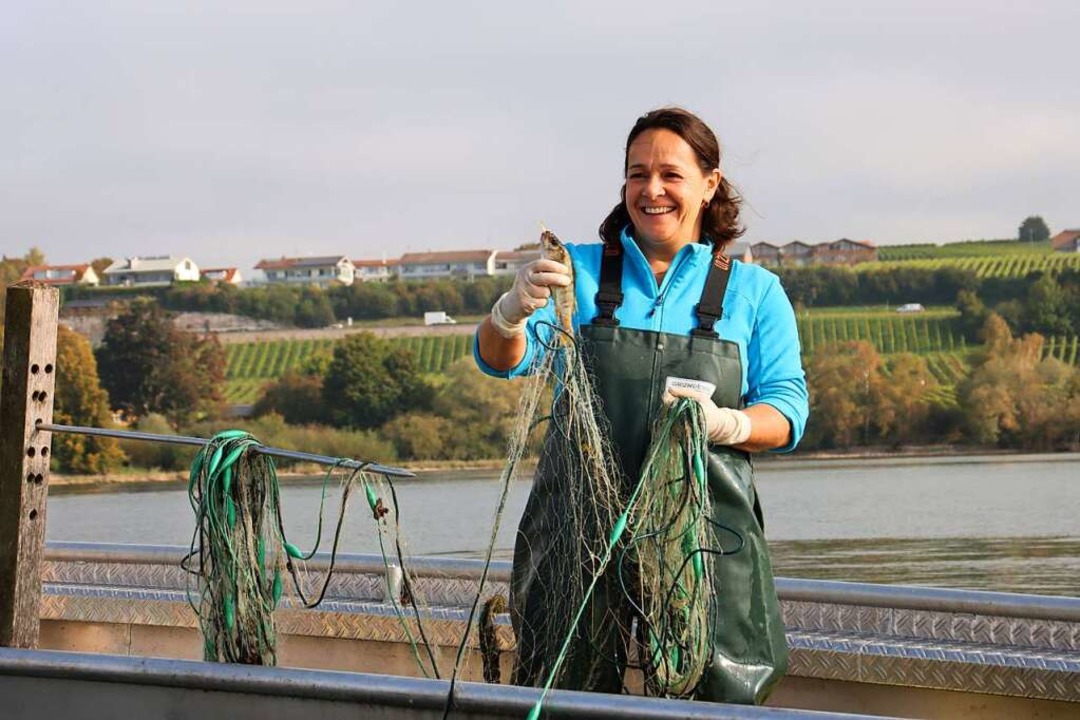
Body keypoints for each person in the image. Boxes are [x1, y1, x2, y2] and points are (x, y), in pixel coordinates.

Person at [474, 107, 809, 704]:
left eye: (670, 175)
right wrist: (510, 312)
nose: (651, 190)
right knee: (562, 691)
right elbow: (506, 359)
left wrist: (724, 423)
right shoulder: (574, 271)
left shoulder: (755, 291)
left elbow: (786, 414)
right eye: (636, 174)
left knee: (718, 694)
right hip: (575, 533)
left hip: (705, 542)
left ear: (710, 184)